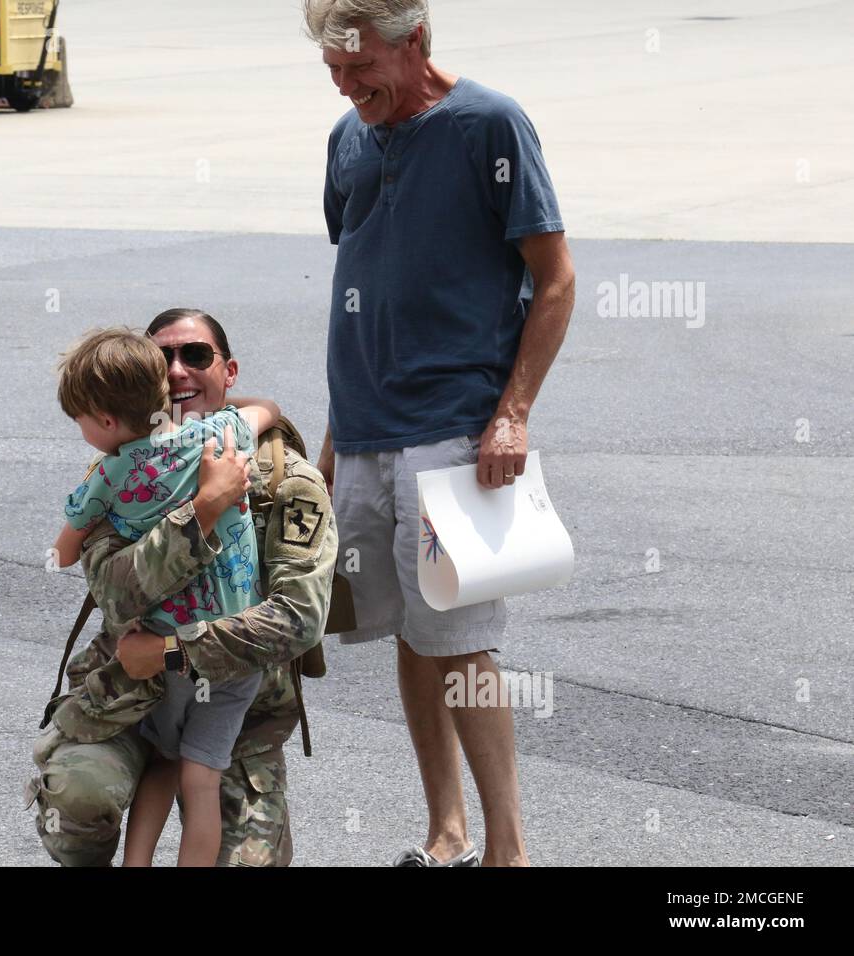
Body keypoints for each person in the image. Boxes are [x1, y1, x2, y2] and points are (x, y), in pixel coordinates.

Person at [305, 0, 576, 866]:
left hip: (452, 433)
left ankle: (509, 850)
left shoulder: (490, 125)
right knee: (406, 637)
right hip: (365, 430)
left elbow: (557, 280)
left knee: (460, 642)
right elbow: (365, 289)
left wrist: (513, 412)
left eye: (361, 70)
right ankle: (446, 834)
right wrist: (334, 437)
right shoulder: (349, 139)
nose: (348, 90)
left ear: (415, 41)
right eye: (335, 73)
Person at [27, 308, 337, 866]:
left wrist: (171, 653)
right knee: (79, 794)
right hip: (130, 694)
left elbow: (298, 620)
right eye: (162, 357)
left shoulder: (283, 478)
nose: (176, 371)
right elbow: (114, 590)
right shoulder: (122, 470)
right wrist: (205, 508)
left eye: (195, 355)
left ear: (230, 370)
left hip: (240, 708)